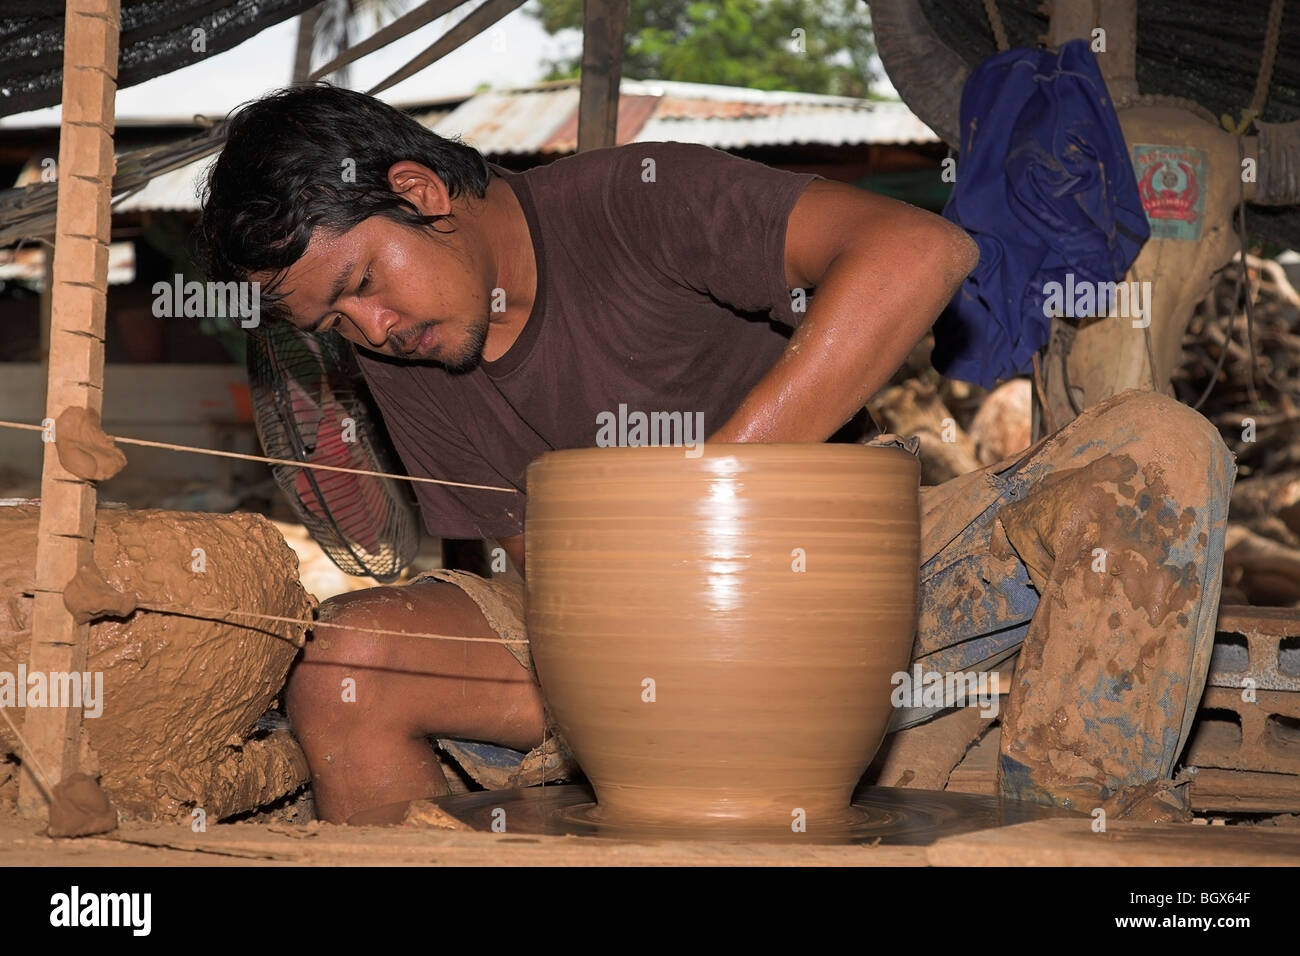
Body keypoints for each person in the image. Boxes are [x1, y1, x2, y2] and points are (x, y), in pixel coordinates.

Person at [202, 84, 1231, 825]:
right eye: (335, 320)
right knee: (346, 666)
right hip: (607, 633)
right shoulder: (412, 347)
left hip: (857, 592)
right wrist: (626, 651)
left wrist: (709, 500)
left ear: (421, 190)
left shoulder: (632, 200)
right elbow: (512, 559)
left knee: (1157, 444)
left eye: (365, 280)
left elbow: (920, 251)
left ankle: (1074, 825)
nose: (372, 328)